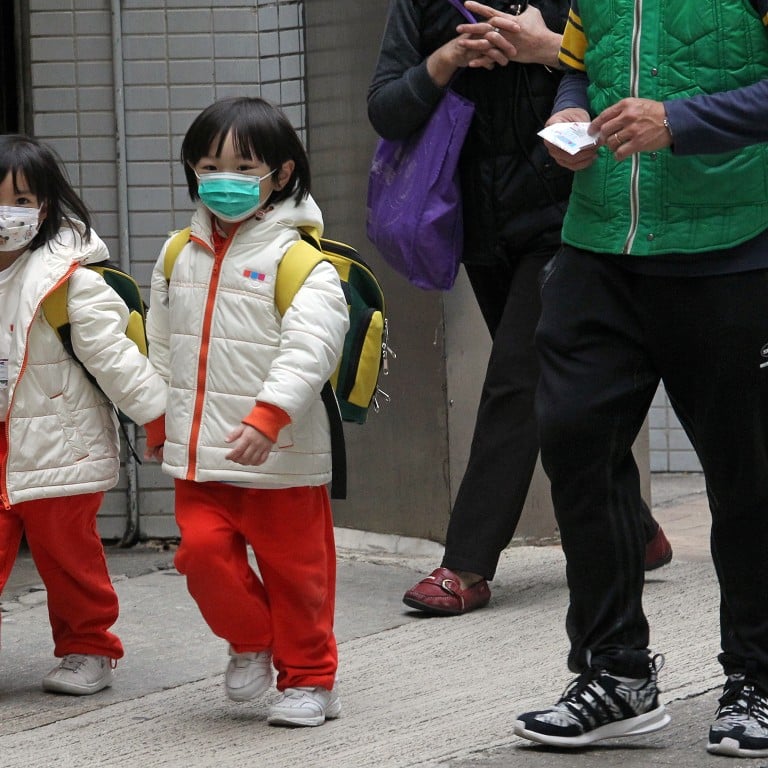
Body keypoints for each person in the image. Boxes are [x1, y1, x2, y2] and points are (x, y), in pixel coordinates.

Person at [511, 0, 768, 757]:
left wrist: (682, 121)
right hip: (597, 247)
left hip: (734, 247)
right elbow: (575, 68)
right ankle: (615, 674)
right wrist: (567, 123)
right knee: (575, 443)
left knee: (747, 475)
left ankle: (757, 678)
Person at [367, 0, 671, 617]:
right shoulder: (425, 5)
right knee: (544, 387)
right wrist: (449, 58)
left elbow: (632, 78)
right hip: (480, 224)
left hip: (569, 218)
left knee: (513, 381)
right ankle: (636, 532)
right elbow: (385, 110)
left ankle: (467, 563)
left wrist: (545, 46)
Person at [145, 97, 349, 728]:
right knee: (200, 556)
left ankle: (310, 681)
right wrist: (156, 417)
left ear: (282, 175)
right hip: (200, 456)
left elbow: (312, 347)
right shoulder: (179, 253)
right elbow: (159, 344)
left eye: (242, 166)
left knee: (298, 576)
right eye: (208, 165)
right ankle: (252, 637)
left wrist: (270, 416)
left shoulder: (297, 260)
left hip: (279, 455)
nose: (222, 179)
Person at [0, 134, 167, 695]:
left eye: (21, 200)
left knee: (68, 557)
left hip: (59, 443)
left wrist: (158, 417)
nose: (8, 211)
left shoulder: (68, 281)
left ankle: (89, 646)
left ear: (45, 206)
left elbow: (117, 359)